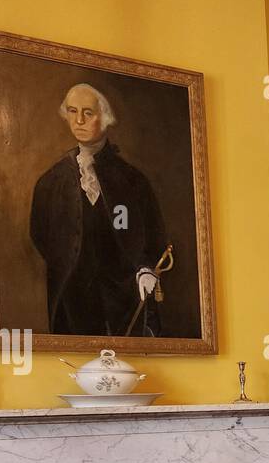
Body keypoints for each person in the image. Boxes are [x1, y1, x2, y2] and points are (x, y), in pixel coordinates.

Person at [29, 83, 166, 336]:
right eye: (72, 111)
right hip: (72, 296)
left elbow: (151, 233)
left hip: (123, 296)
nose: (79, 120)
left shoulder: (132, 180)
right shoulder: (51, 181)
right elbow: (40, 234)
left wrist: (144, 268)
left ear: (105, 116)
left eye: (88, 113)